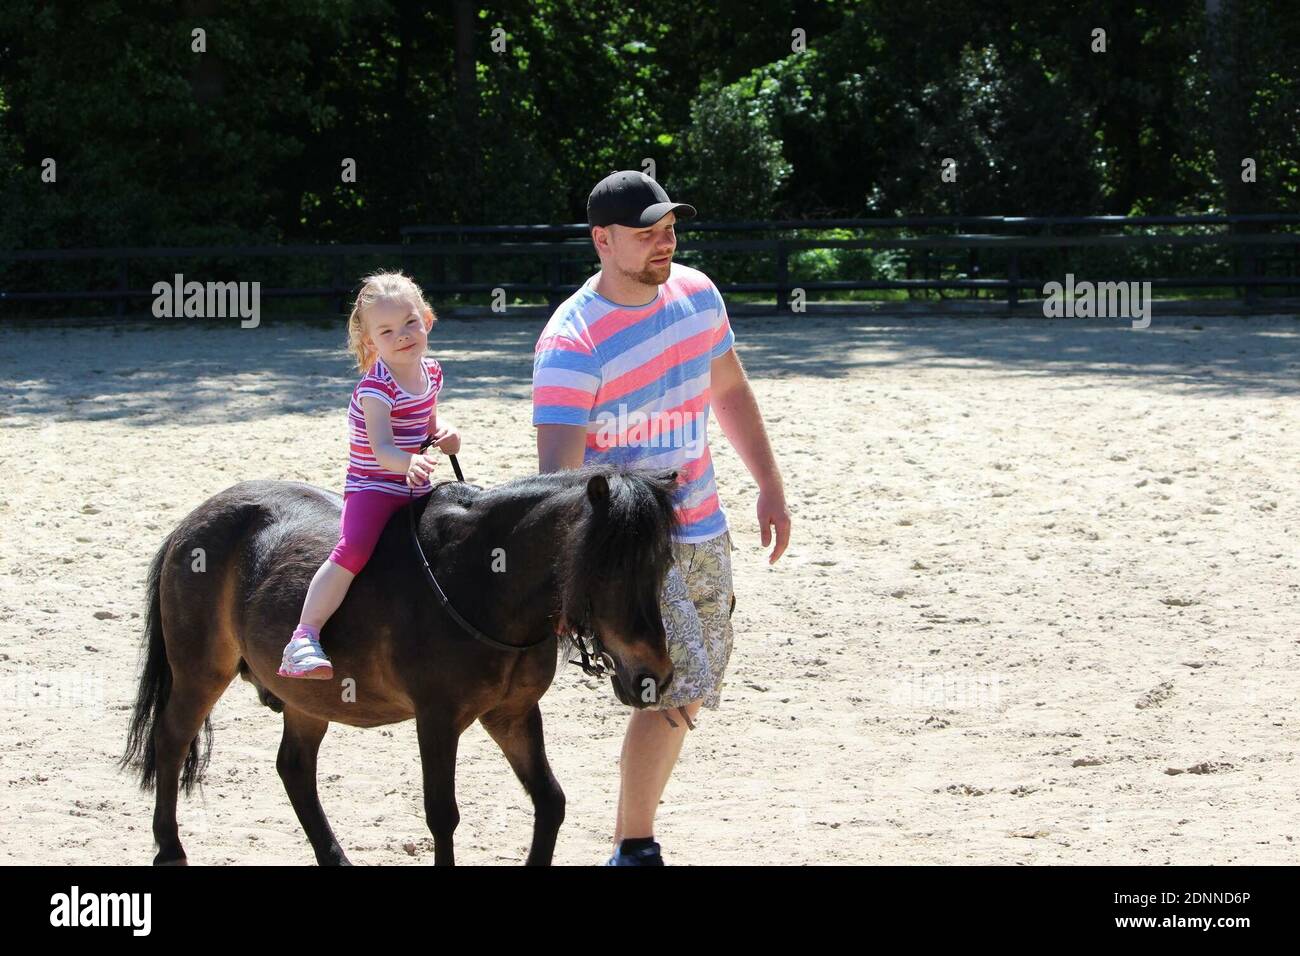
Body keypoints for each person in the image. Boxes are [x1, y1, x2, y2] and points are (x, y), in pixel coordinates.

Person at [532, 170, 791, 864]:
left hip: (706, 525)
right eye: (647, 233)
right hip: (631, 547)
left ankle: (631, 838)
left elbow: (729, 388)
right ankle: (635, 844)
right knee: (670, 683)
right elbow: (559, 477)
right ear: (603, 241)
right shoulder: (573, 340)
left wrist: (768, 481)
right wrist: (569, 583)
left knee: (694, 685)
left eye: (669, 229)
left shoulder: (697, 295)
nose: (664, 242)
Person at [279, 270, 460, 679]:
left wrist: (444, 433)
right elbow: (381, 450)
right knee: (355, 549)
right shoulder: (376, 388)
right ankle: (303, 637)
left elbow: (427, 425)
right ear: (370, 342)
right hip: (374, 487)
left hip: (415, 483)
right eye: (388, 330)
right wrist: (409, 462)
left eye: (410, 323)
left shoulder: (431, 372)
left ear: (427, 320)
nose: (403, 335)